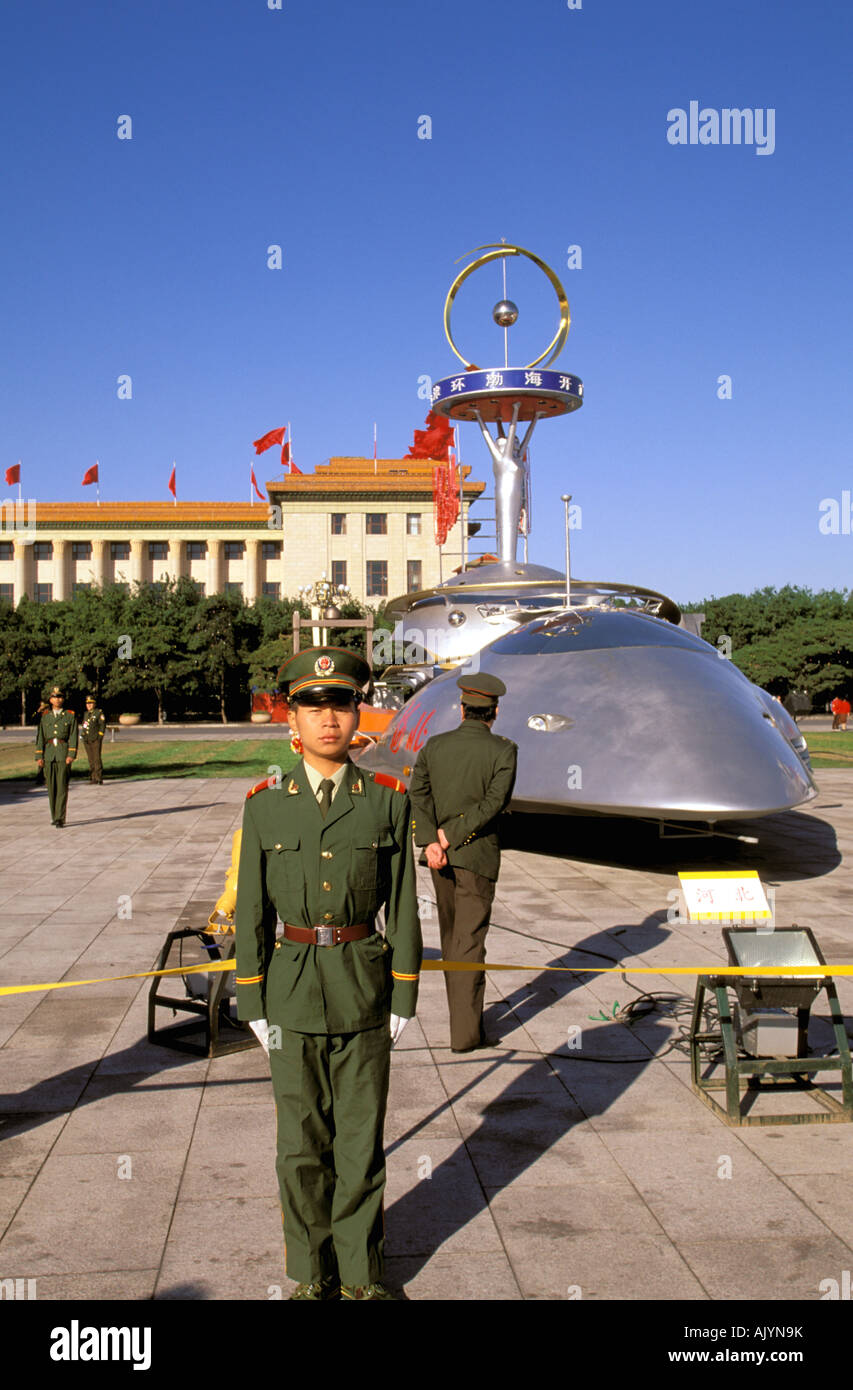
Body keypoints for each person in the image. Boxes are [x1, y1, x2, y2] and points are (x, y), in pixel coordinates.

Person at [234, 645, 422, 1302]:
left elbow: (400, 905)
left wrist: (403, 994)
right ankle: (311, 1274)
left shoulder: (386, 801)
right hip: (286, 993)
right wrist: (250, 999)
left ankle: (363, 1274)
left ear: (355, 713)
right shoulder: (264, 805)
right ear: (291, 718)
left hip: (363, 988)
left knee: (359, 1138)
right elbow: (252, 910)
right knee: (300, 1143)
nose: (327, 718)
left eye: (339, 703)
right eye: (312, 705)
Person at [408, 672, 517, 1053]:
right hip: (476, 858)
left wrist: (430, 839)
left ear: (461, 708)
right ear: (495, 711)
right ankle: (466, 1035)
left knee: (453, 939)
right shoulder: (504, 750)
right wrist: (449, 836)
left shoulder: (435, 746)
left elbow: (417, 791)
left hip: (440, 861)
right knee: (468, 944)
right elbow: (493, 804)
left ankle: (464, 1023)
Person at [35, 686, 78, 827]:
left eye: (60, 697)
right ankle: (54, 816)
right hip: (48, 754)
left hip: (62, 753)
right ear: (50, 699)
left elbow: (73, 736)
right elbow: (40, 737)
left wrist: (71, 754)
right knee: (51, 787)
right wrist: (39, 756)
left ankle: (60, 817)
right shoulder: (45, 716)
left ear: (63, 699)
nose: (57, 699)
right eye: (54, 697)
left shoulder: (70, 715)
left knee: (62, 786)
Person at [80, 695, 106, 782]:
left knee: (96, 758)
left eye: (90, 703)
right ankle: (93, 777)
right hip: (87, 739)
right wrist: (83, 735)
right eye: (87, 703)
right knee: (90, 759)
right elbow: (85, 725)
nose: (89, 705)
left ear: (94, 704)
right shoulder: (86, 714)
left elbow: (102, 725)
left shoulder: (98, 713)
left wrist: (99, 737)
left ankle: (99, 777)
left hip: (95, 739)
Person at [32, 699, 49, 786]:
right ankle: (40, 777)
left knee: (47, 759)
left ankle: (47, 777)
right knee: (40, 758)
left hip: (48, 740)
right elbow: (33, 719)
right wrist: (38, 711)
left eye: (45, 708)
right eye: (42, 709)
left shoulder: (49, 715)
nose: (44, 710)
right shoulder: (39, 715)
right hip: (40, 740)